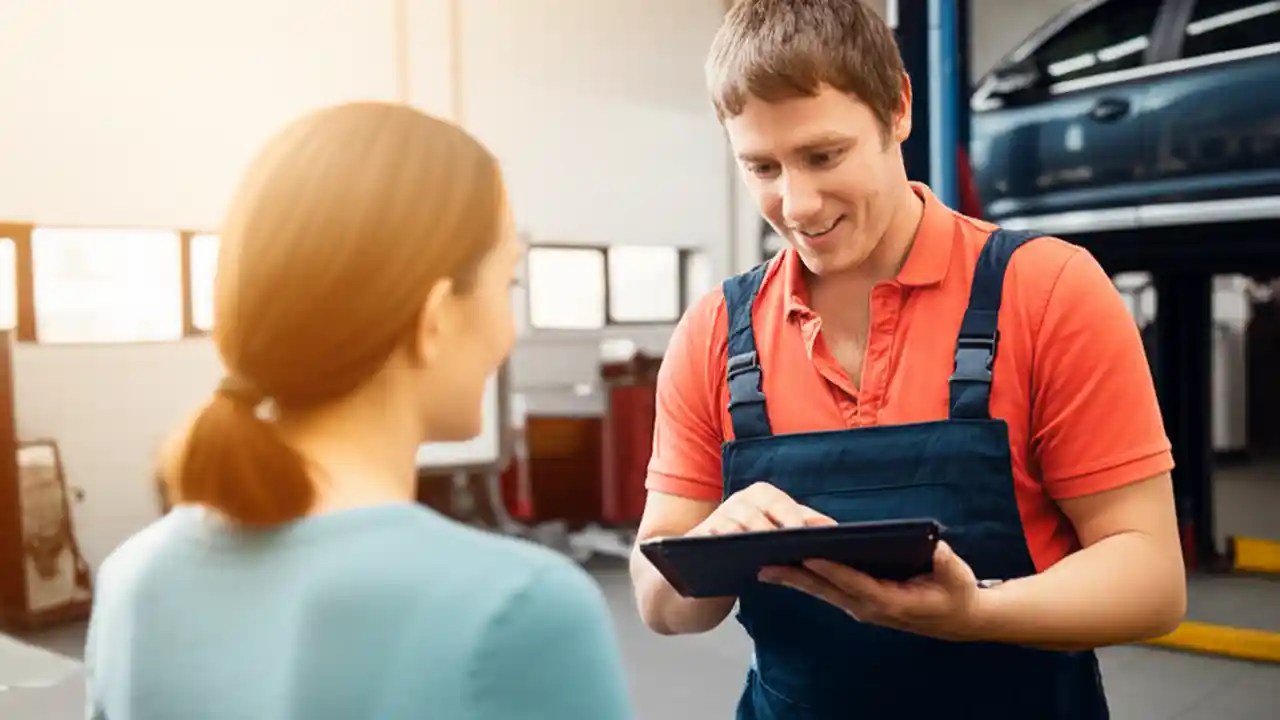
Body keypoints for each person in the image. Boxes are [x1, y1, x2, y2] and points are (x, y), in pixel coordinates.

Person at [629, 1, 1187, 717]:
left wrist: (976, 613)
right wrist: (711, 547)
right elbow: (658, 603)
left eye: (824, 156)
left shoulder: (1047, 293)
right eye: (762, 166)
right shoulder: (714, 333)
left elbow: (1150, 579)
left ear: (897, 108)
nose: (797, 205)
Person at [83, 102, 633, 720]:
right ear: (436, 317)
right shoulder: (522, 609)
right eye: (506, 285)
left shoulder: (134, 580)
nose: (508, 331)